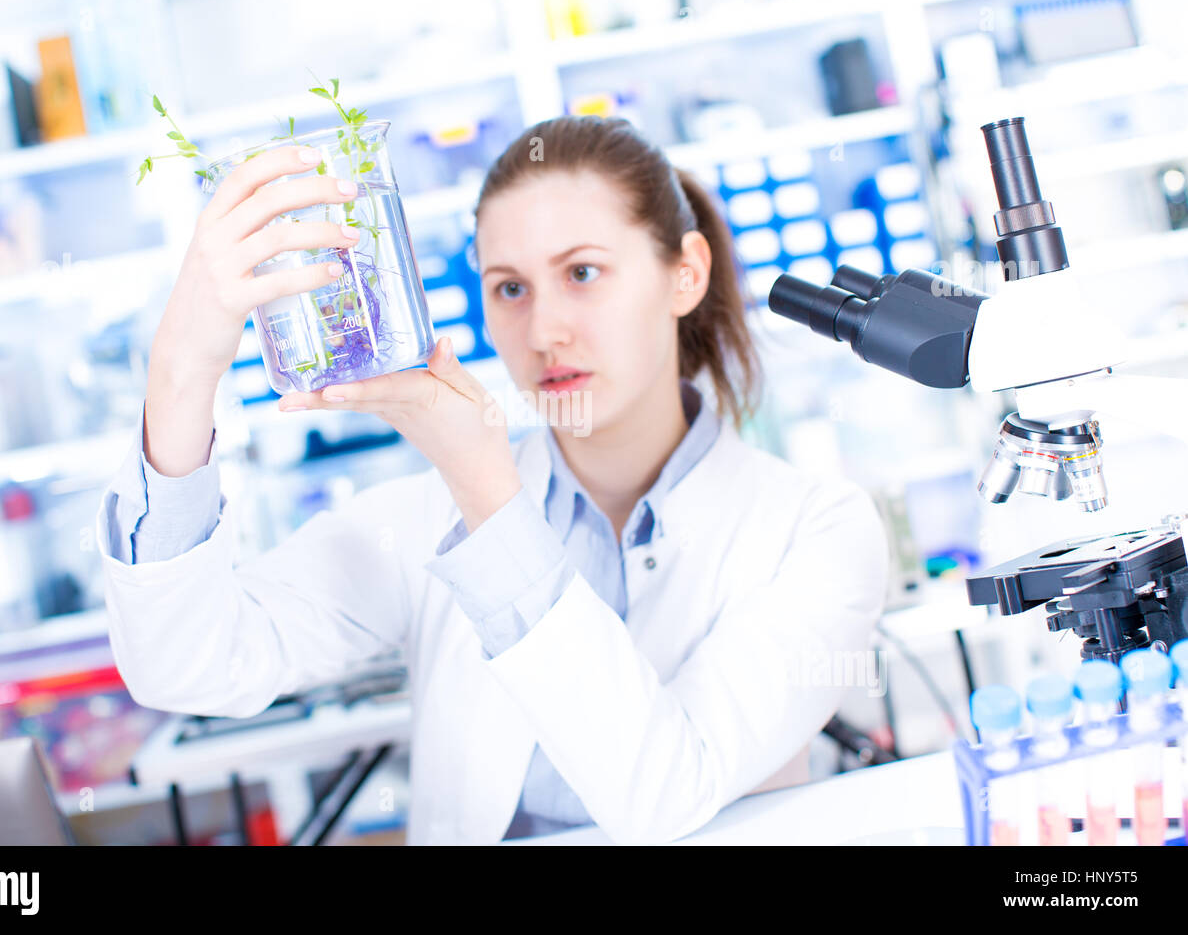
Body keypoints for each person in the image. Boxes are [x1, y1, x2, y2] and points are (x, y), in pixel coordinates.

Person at [96, 115, 888, 845]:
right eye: (510, 288)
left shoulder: (815, 529)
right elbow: (186, 666)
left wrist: (487, 491)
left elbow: (663, 794)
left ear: (685, 274)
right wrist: (183, 368)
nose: (544, 331)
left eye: (583, 273)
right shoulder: (420, 516)